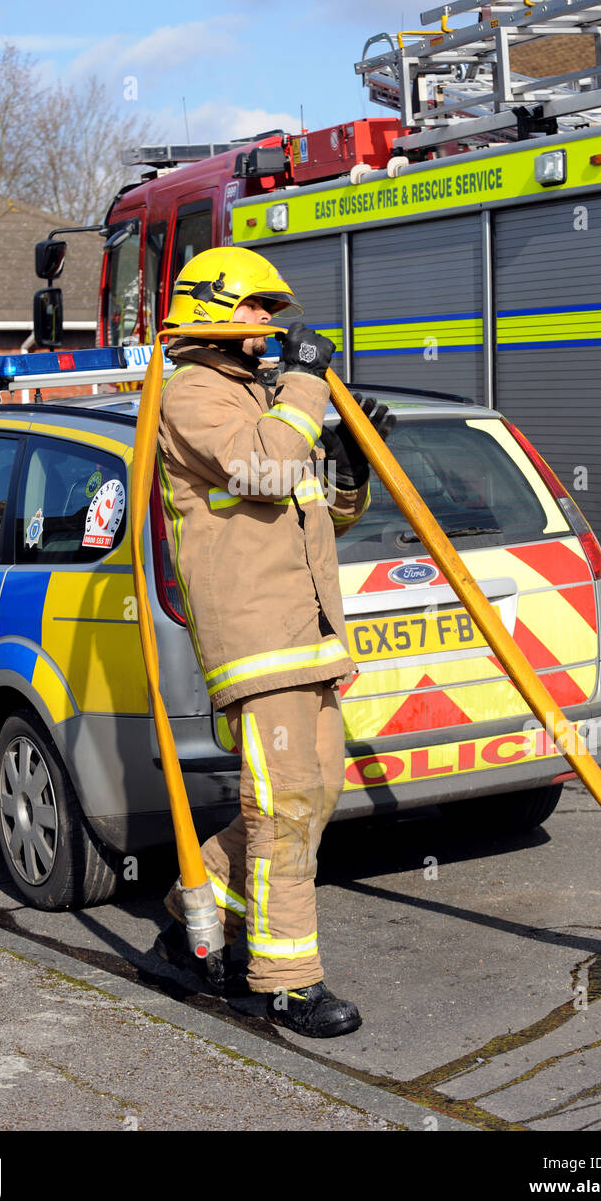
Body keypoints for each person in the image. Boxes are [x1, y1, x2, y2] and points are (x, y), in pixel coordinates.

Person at [153, 246, 393, 1038]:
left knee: (309, 803)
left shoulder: (256, 398)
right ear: (214, 308)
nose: (268, 324)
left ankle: (191, 914)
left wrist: (351, 463)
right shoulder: (194, 395)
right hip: (259, 643)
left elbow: (321, 512)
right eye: (257, 309)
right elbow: (260, 471)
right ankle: (287, 983)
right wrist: (307, 386)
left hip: (310, 636)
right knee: (285, 807)